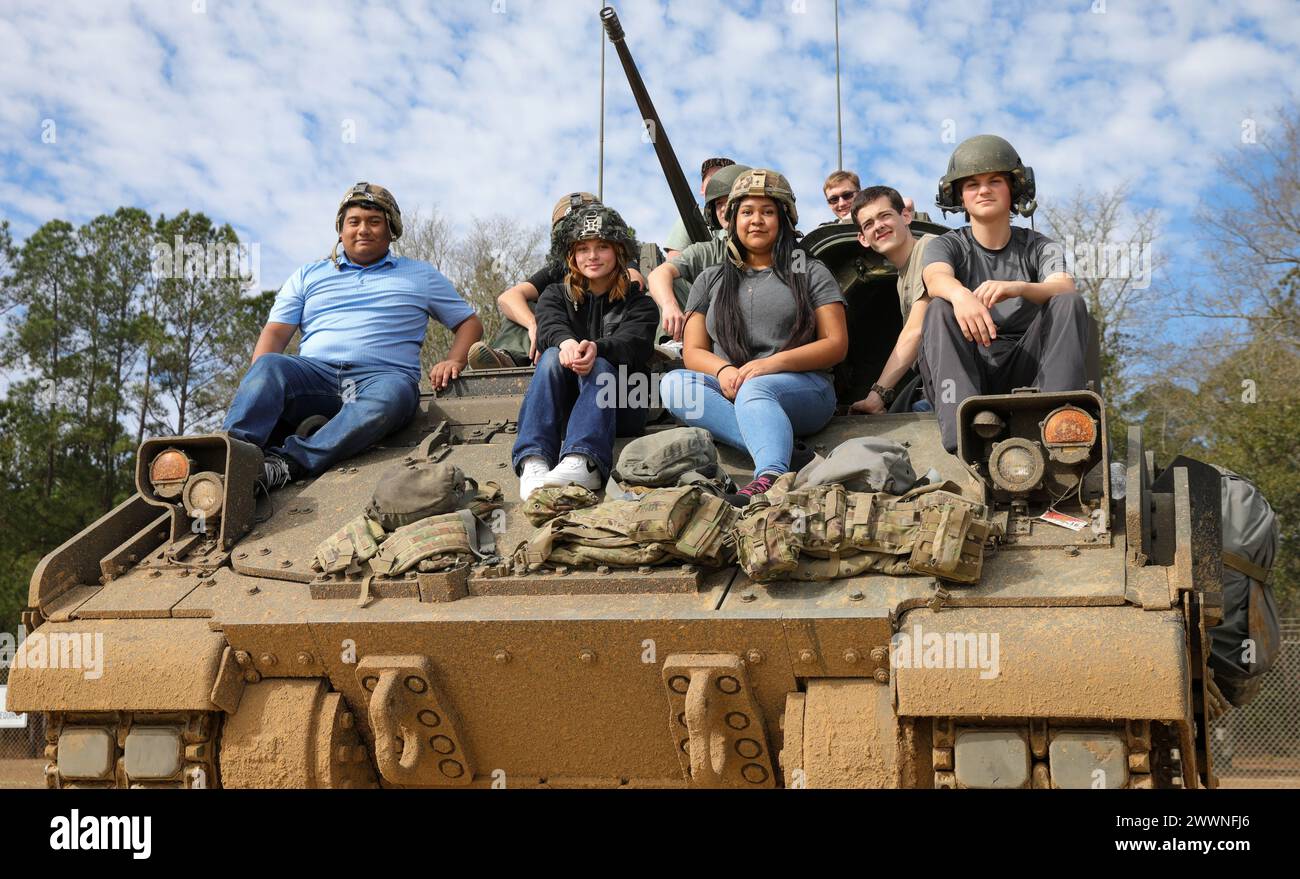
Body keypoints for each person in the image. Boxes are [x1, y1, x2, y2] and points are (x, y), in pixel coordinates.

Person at [223, 182, 482, 489]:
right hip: (314, 376)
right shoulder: (308, 275)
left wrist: (454, 360)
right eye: (354, 222)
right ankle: (230, 458)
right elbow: (276, 333)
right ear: (341, 229)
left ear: (391, 230)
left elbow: (469, 323)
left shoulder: (421, 275)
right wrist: (260, 384)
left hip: (381, 379)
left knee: (393, 394)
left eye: (374, 222)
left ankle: (289, 463)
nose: (363, 230)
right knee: (268, 366)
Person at [660, 169, 848, 505]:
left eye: (767, 211)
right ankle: (790, 453)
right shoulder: (711, 278)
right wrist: (723, 370)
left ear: (783, 218)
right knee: (673, 384)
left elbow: (835, 344)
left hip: (805, 387)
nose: (756, 220)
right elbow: (694, 350)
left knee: (756, 387)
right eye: (746, 212)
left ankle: (770, 477)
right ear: (732, 220)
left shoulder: (809, 270)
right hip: (732, 384)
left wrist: (769, 365)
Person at [920, 135, 1086, 453]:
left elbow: (1065, 286)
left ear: (1013, 190)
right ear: (959, 197)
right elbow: (935, 277)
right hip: (968, 364)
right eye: (972, 184)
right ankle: (964, 430)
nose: (984, 190)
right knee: (939, 308)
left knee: (1068, 302)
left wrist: (1019, 288)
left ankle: (1059, 423)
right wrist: (961, 296)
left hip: (1027, 364)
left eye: (995, 181)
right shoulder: (948, 244)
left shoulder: (1039, 246)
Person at [513, 205, 660, 500]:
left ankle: (585, 462)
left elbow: (634, 344)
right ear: (572, 256)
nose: (592, 256)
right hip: (567, 408)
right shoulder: (555, 294)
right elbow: (549, 326)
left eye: (602, 247)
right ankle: (535, 462)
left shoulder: (640, 304)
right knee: (553, 355)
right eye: (583, 249)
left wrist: (596, 348)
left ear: (618, 252)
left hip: (623, 403)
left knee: (599, 363)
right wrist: (566, 343)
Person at [468, 192, 662, 368]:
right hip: (560, 340)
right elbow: (508, 298)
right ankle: (508, 357)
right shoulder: (558, 270)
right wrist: (534, 325)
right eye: (582, 247)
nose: (592, 254)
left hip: (605, 342)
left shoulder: (614, 260)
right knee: (528, 306)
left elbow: (634, 282)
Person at [847, 185, 938, 414]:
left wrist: (877, 395)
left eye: (885, 215)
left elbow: (916, 330)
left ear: (906, 216)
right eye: (868, 224)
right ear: (863, 238)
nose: (878, 226)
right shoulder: (902, 276)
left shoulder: (930, 248)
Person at [647, 163, 753, 329]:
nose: (725, 208)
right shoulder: (709, 250)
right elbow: (659, 274)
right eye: (719, 203)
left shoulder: (786, 252)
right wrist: (670, 305)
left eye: (731, 200)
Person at [662, 156, 736, 259]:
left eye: (725, 181)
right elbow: (673, 262)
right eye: (713, 181)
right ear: (702, 189)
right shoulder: (690, 219)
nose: (719, 187)